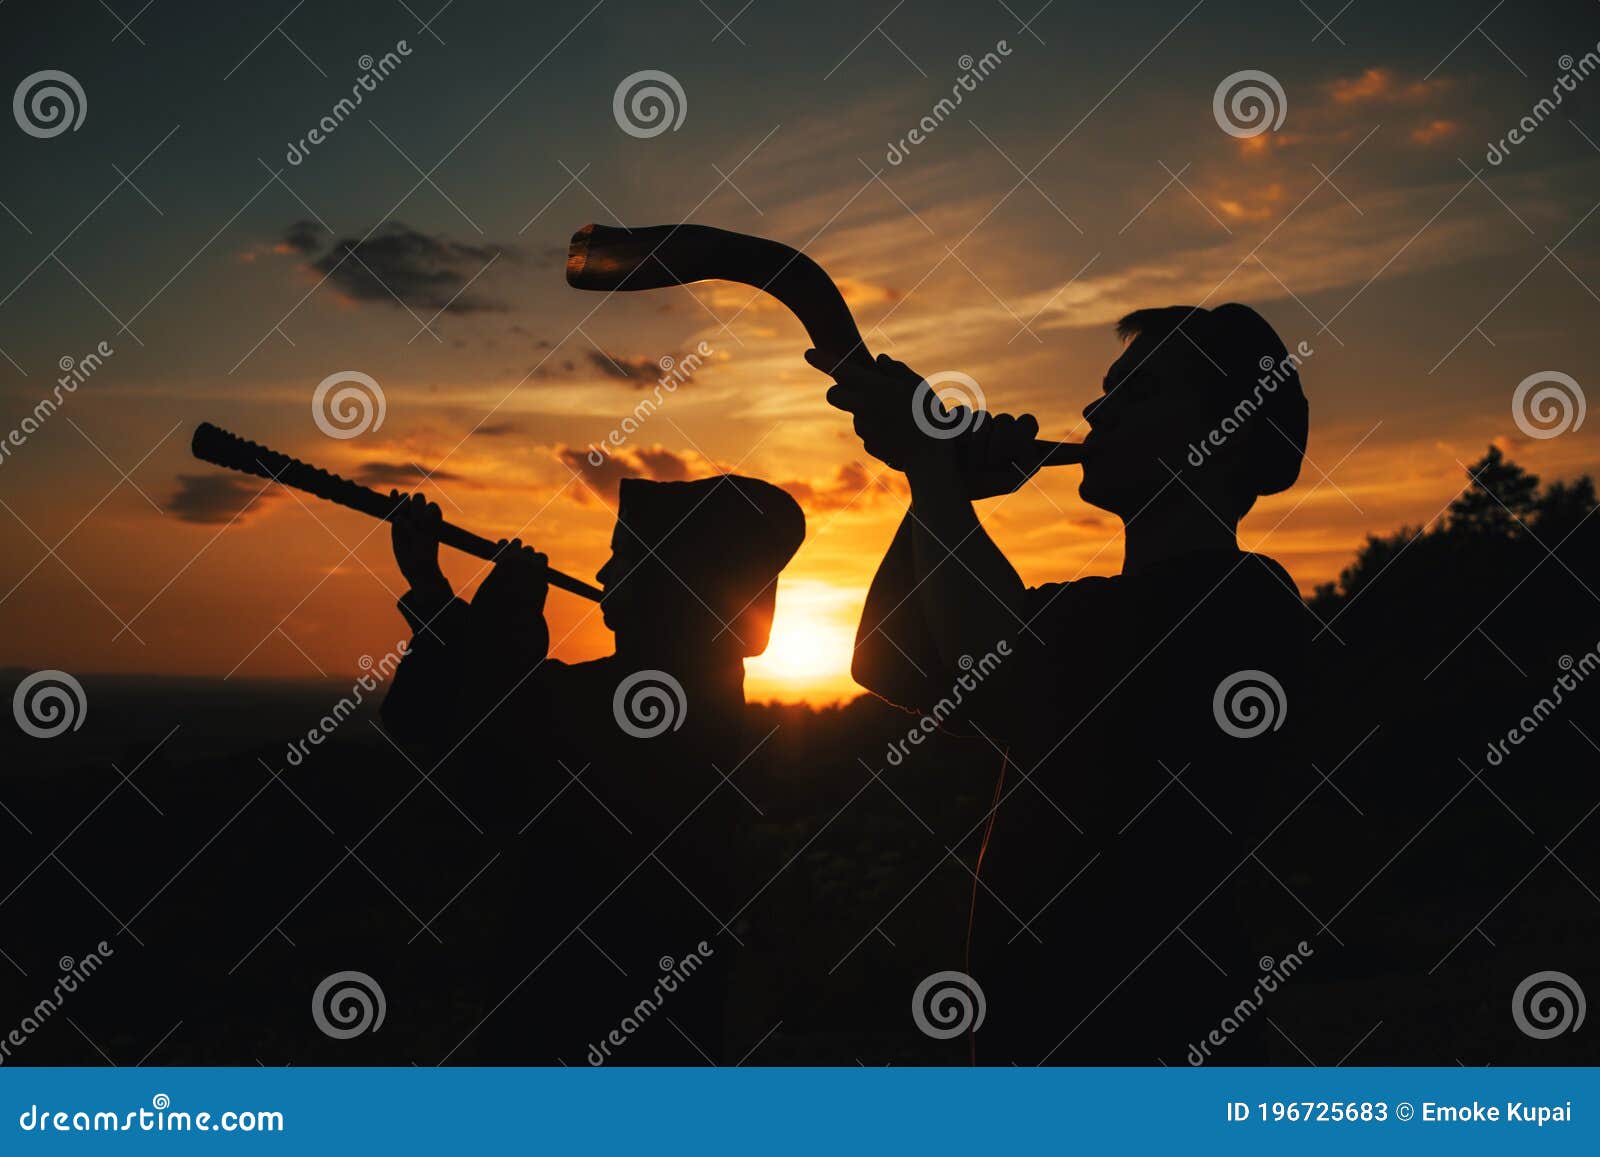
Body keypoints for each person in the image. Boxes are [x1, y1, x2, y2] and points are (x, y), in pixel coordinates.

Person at [810, 303, 1312, 1064]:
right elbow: (889, 658)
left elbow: (999, 678)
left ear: (1230, 437)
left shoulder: (1240, 602)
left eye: (1138, 392)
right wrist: (939, 492)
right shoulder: (1073, 606)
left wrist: (932, 468)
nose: (1095, 409)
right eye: (1108, 388)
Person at [379, 474, 805, 1065]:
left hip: (574, 1014)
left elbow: (445, 735)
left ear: (669, 581)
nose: (603, 575)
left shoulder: (653, 701)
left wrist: (462, 603)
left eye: (622, 557)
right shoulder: (696, 686)